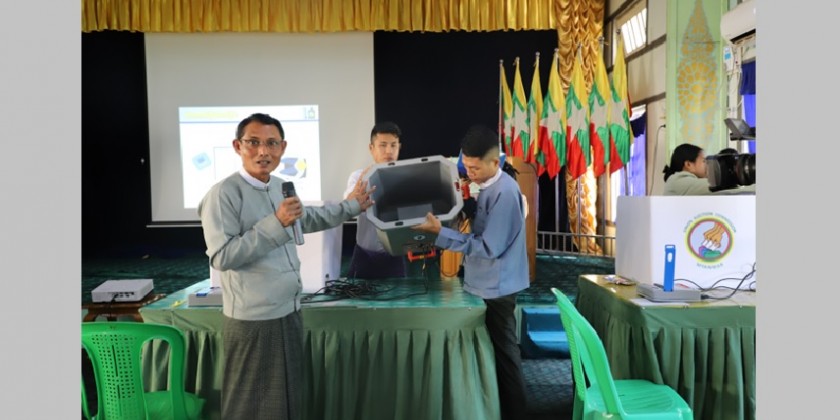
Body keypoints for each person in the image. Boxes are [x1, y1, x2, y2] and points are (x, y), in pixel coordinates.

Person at [197, 113, 374, 420]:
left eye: (271, 143)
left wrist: (353, 205)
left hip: (288, 310)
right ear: (238, 146)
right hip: (254, 320)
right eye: (254, 143)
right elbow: (222, 257)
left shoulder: (281, 186)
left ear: (282, 147)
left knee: (284, 402)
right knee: (250, 406)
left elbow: (308, 220)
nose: (263, 151)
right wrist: (275, 222)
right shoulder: (223, 194)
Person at [412, 124, 529, 420]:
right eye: (466, 165)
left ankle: (517, 413)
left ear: (495, 162)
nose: (470, 172)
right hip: (485, 283)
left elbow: (489, 247)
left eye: (475, 168)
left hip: (498, 288)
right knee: (495, 352)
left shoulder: (505, 192)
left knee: (505, 355)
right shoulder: (490, 186)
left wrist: (440, 234)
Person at [343, 121, 408, 279]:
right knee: (356, 300)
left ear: (399, 147)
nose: (389, 151)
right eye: (383, 145)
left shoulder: (407, 178)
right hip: (364, 255)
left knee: (399, 301)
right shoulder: (358, 177)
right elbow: (346, 207)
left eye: (393, 145)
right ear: (371, 148)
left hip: (395, 256)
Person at [663, 143, 754, 196]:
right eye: (704, 161)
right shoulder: (678, 181)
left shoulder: (681, 182)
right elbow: (725, 191)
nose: (708, 165)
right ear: (688, 164)